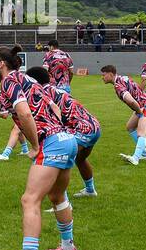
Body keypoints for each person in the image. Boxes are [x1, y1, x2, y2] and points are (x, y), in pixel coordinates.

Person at [0, 46, 79, 250]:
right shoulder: (29, 79)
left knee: (29, 199)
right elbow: (54, 106)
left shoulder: (9, 80)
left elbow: (26, 113)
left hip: (51, 141)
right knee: (58, 197)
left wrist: (36, 145)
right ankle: (67, 246)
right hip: (67, 139)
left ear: (1, 64)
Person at [30, 65, 100, 199]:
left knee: (57, 161)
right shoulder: (56, 89)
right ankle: (90, 190)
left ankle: (62, 202)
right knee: (80, 159)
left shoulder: (40, 93)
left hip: (81, 130)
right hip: (93, 126)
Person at [100, 64, 146, 166]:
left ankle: (136, 158)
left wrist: (139, 111)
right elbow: (137, 88)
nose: (102, 77)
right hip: (145, 104)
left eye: (104, 75)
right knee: (130, 127)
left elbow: (131, 101)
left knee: (141, 132)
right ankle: (144, 154)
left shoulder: (118, 86)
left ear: (110, 74)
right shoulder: (123, 77)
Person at [0, 81, 30, 161]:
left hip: (24, 113)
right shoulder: (2, 94)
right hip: (23, 112)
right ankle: (25, 150)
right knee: (17, 129)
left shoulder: (0, 97)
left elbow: (5, 116)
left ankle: (5, 154)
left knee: (15, 131)